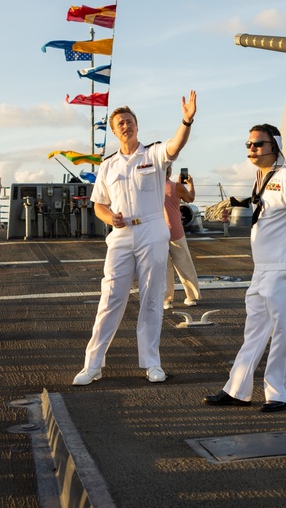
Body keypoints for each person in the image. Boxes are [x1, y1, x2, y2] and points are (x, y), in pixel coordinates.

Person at [73, 91, 198, 385]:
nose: (125, 126)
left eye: (129, 122)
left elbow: (175, 145)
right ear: (115, 131)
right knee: (110, 297)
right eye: (120, 124)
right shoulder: (108, 166)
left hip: (153, 229)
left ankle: (152, 363)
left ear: (137, 126)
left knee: (152, 297)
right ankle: (93, 364)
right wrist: (109, 217)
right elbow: (99, 204)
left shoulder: (153, 154)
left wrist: (186, 120)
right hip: (121, 234)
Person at [204, 123, 286, 413]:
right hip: (263, 268)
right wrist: (235, 201)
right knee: (254, 330)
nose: (252, 149)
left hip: (284, 266)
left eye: (258, 144)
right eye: (249, 145)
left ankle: (281, 392)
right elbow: (267, 208)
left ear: (275, 147)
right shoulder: (262, 177)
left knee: (284, 330)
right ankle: (237, 389)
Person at [163, 165, 201, 309]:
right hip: (176, 231)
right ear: (170, 172)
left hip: (159, 232)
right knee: (184, 264)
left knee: (165, 267)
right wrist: (190, 184)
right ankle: (191, 297)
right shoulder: (176, 186)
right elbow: (190, 198)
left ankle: (167, 300)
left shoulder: (151, 187)